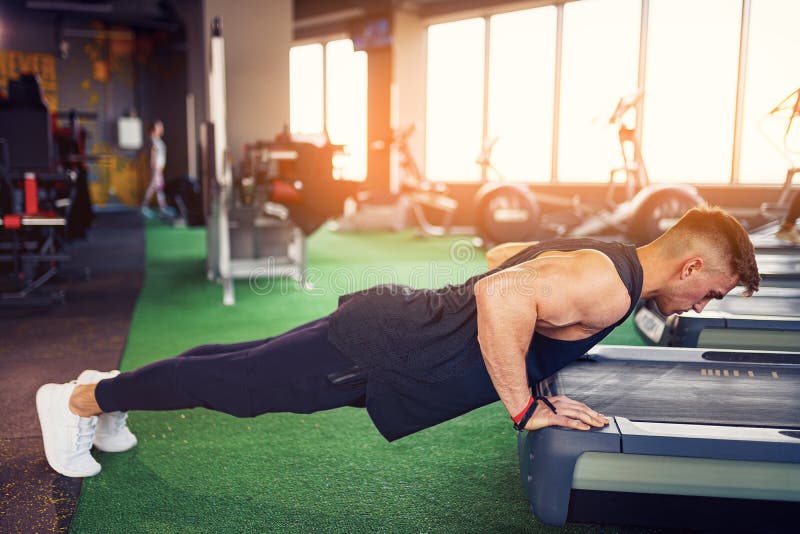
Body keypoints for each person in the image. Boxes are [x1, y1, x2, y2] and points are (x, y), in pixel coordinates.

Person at [36, 205, 759, 478]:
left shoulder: (608, 255)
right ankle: (77, 400)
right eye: (713, 290)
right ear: (693, 264)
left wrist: (536, 363)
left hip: (392, 323)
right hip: (384, 353)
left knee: (235, 364)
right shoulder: (611, 286)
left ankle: (108, 394)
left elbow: (505, 255)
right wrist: (525, 407)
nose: (705, 302)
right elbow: (501, 292)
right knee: (236, 386)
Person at [140, 120, 170, 219]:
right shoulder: (153, 140)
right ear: (154, 129)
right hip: (156, 169)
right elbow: (153, 155)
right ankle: (145, 208)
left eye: (161, 127)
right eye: (159, 127)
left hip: (158, 168)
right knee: (154, 188)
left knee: (158, 189)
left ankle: (162, 208)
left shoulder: (157, 140)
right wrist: (155, 168)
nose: (161, 129)